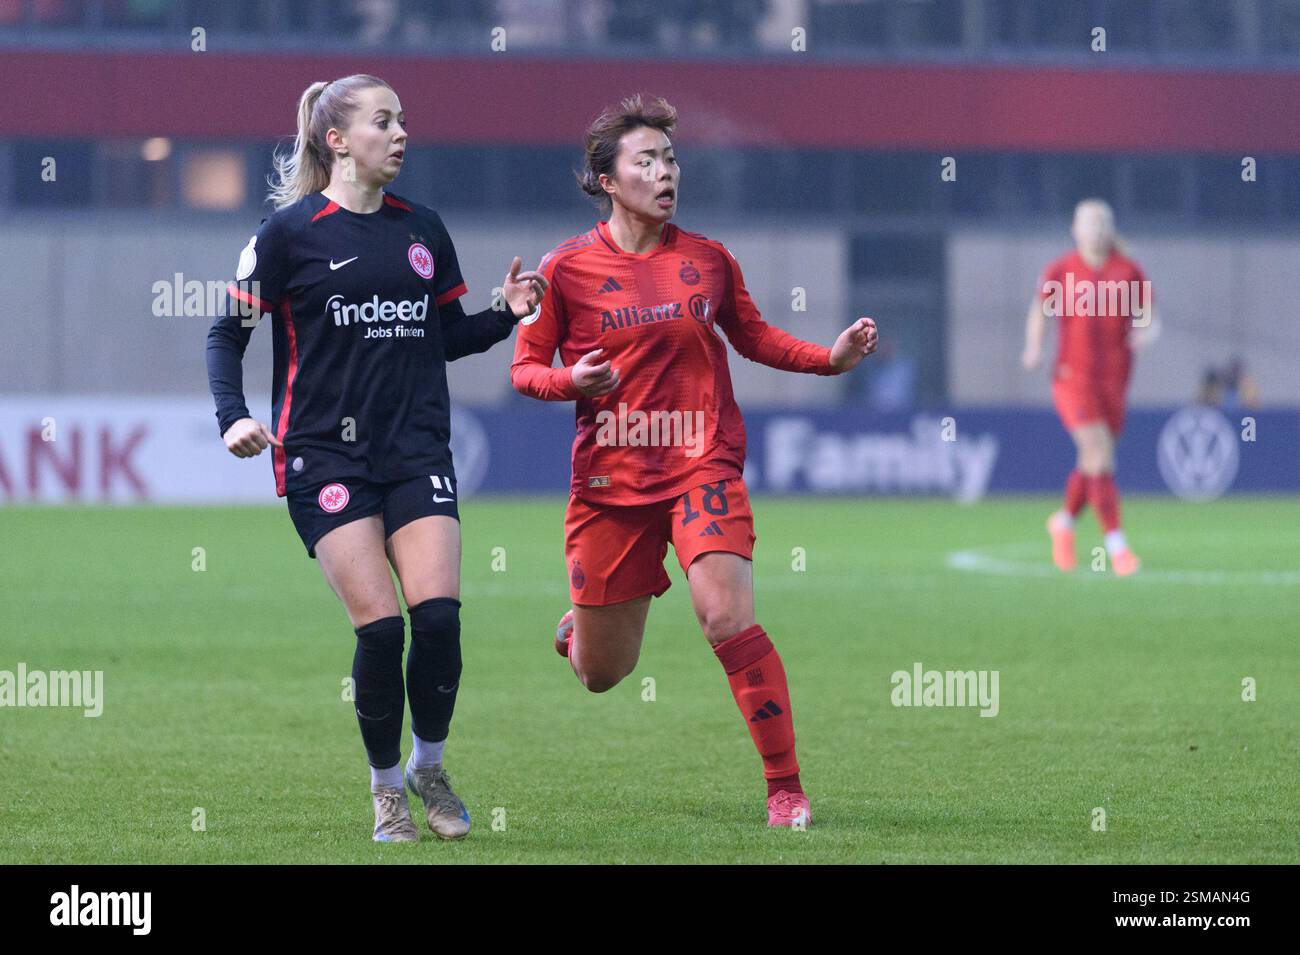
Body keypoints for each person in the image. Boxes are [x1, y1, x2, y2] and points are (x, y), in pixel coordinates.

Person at [510, 94, 877, 828]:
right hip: (611, 482)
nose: (665, 171)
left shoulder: (708, 259)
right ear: (607, 180)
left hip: (701, 464)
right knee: (603, 675)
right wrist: (570, 381)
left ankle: (785, 788)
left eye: (670, 158)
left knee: (725, 615)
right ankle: (581, 633)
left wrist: (829, 360)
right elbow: (525, 370)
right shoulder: (567, 267)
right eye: (645, 160)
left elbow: (756, 336)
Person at [205, 74, 547, 842]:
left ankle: (430, 764)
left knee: (440, 620)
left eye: (403, 121)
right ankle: (387, 788)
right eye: (383, 121)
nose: (401, 134)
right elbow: (226, 333)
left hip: (416, 448)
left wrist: (505, 315)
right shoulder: (287, 234)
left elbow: (444, 336)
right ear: (337, 140)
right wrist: (233, 419)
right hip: (324, 458)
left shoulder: (422, 229)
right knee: (381, 631)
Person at [1022, 198, 1159, 576]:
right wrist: (1033, 346)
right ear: (1075, 230)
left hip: (1114, 382)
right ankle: (1118, 548)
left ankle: (1063, 522)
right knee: (1098, 450)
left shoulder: (1128, 271)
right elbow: (1039, 311)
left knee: (1093, 461)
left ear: (1110, 229)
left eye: (1102, 224)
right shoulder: (1061, 270)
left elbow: (1149, 318)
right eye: (1090, 224)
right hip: (1072, 378)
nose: (1097, 230)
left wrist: (1145, 332)